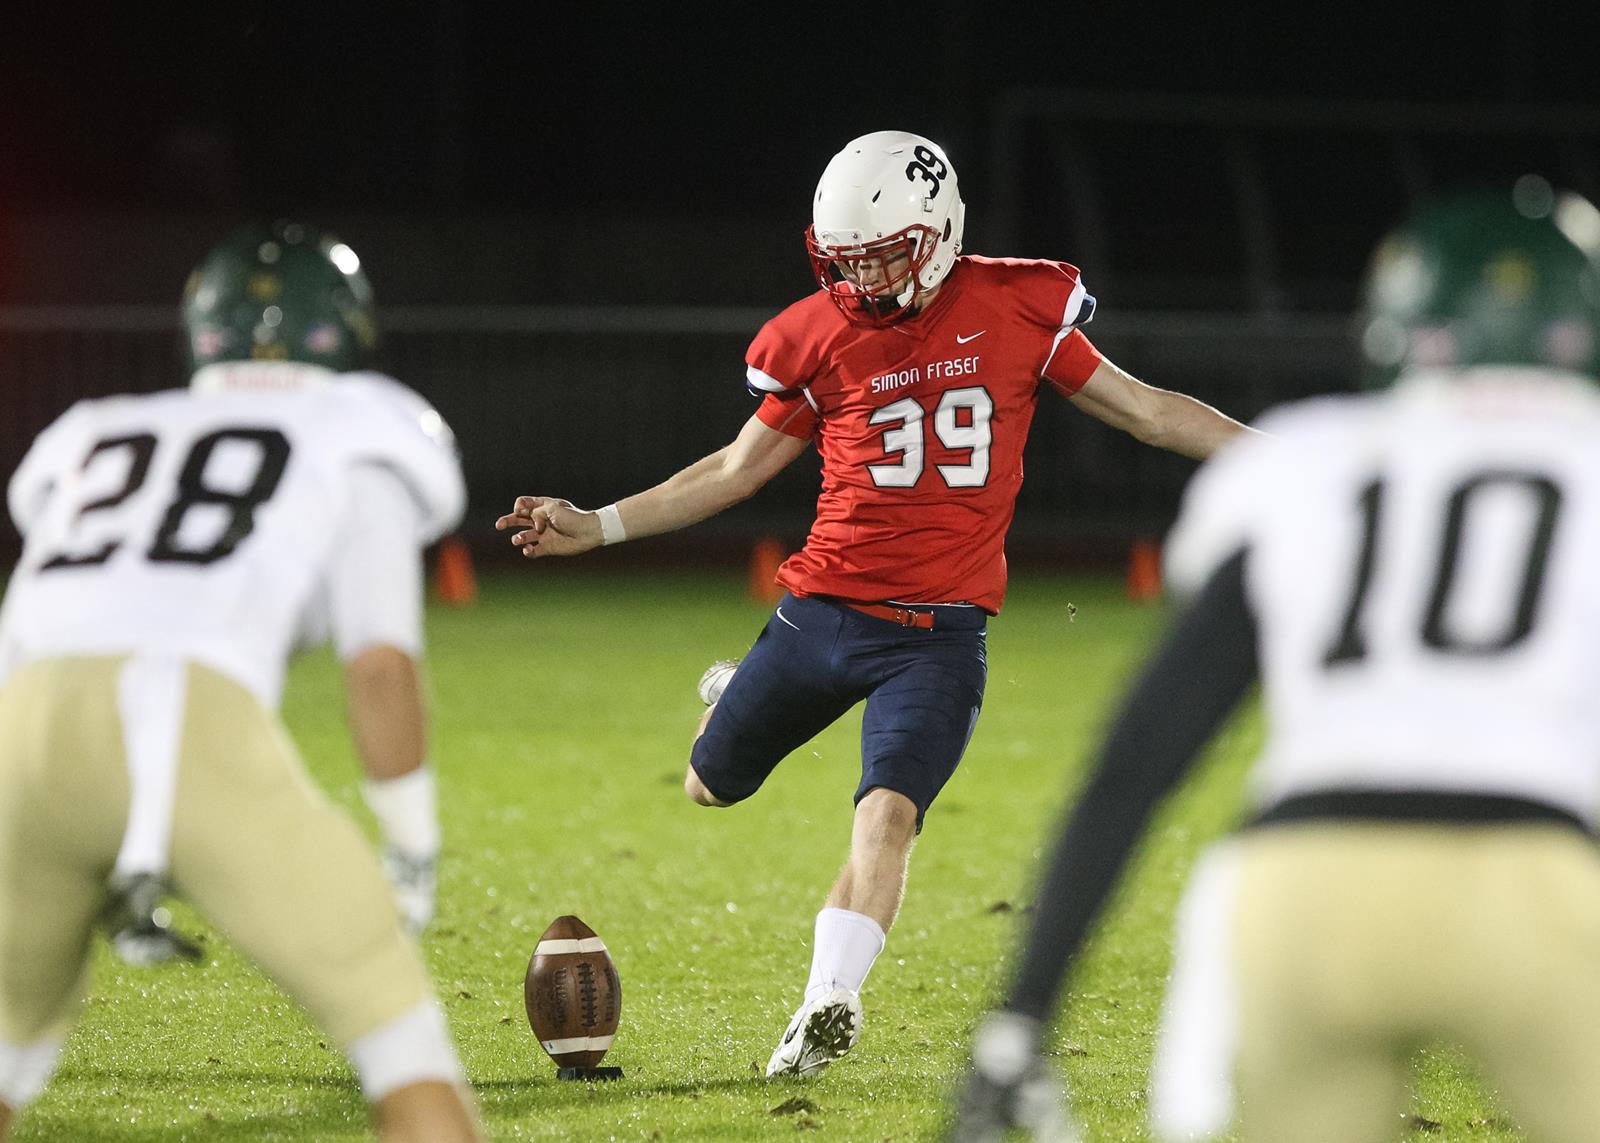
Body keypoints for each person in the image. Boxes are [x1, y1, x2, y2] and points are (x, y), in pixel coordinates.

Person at [496, 129, 1251, 1078]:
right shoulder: (817, 336)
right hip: (821, 616)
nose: (864, 279)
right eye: (846, 261)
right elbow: (732, 472)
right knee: (707, 782)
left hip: (936, 638)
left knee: (886, 816)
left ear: (938, 233)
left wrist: (1278, 454)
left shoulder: (1019, 305)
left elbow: (1146, 409)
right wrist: (597, 525)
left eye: (884, 255)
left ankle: (826, 1003)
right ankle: (737, 690)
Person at [947, 181, 1600, 1143]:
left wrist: (1021, 1017)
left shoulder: (1307, 459)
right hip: (1537, 881)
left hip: (1304, 885)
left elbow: (1139, 759)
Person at [0, 222, 483, 1141]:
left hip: (21, 730)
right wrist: (412, 846)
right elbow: (379, 660)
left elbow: (40, 619)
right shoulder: (359, 430)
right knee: (402, 1047)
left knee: (9, 1049)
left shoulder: (97, 433)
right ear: (346, 330)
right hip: (188, 717)